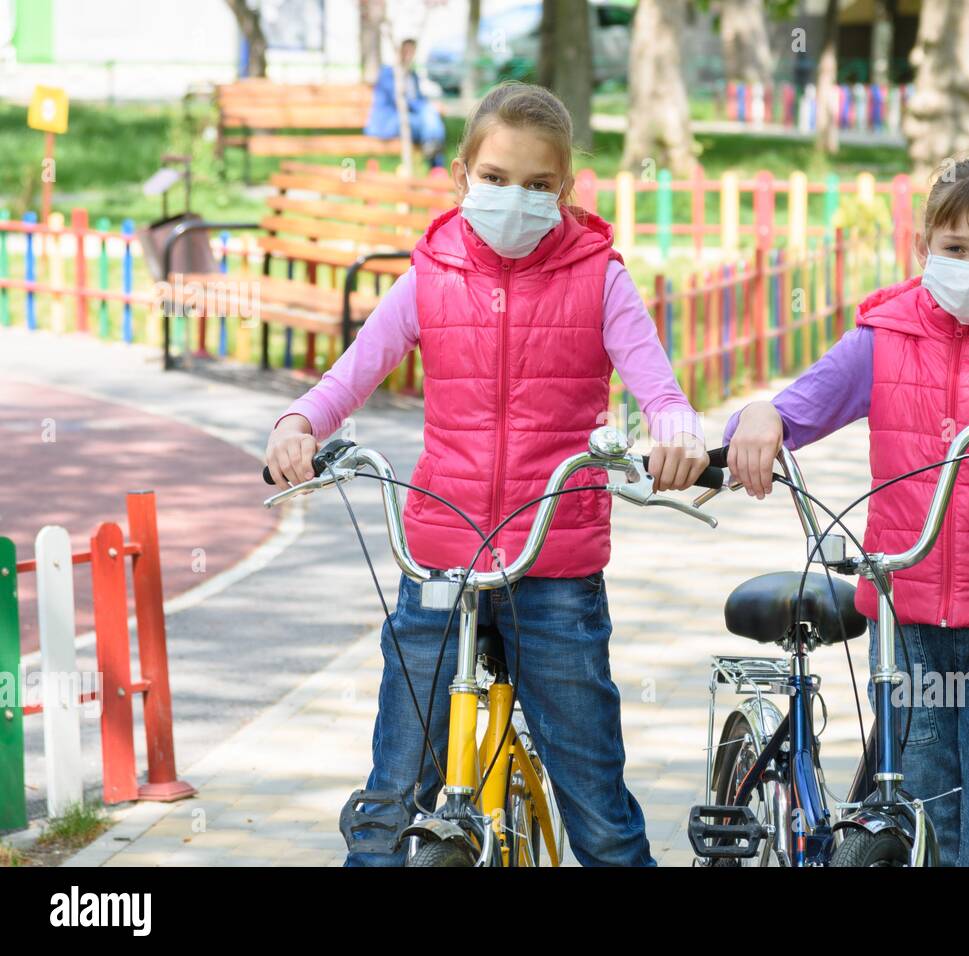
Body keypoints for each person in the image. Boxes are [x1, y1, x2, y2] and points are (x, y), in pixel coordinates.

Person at [266, 81, 709, 866]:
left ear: (566, 190)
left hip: (555, 566)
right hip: (440, 555)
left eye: (540, 185)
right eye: (497, 178)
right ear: (462, 175)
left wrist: (676, 438)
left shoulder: (599, 277)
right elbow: (350, 376)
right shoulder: (430, 274)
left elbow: (661, 391)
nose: (516, 197)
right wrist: (299, 423)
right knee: (390, 803)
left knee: (600, 814)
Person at [724, 156, 969, 867]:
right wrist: (757, 415)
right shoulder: (882, 341)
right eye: (957, 249)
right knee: (927, 839)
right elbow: (792, 412)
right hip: (905, 631)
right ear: (923, 249)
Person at [365, 38, 447, 169]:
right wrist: (429, 108)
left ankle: (435, 162)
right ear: (399, 52)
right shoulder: (388, 73)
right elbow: (400, 99)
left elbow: (419, 99)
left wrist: (431, 106)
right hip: (389, 122)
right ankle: (437, 169)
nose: (408, 55)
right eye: (405, 51)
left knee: (431, 121)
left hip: (407, 120)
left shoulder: (412, 75)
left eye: (411, 51)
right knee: (431, 121)